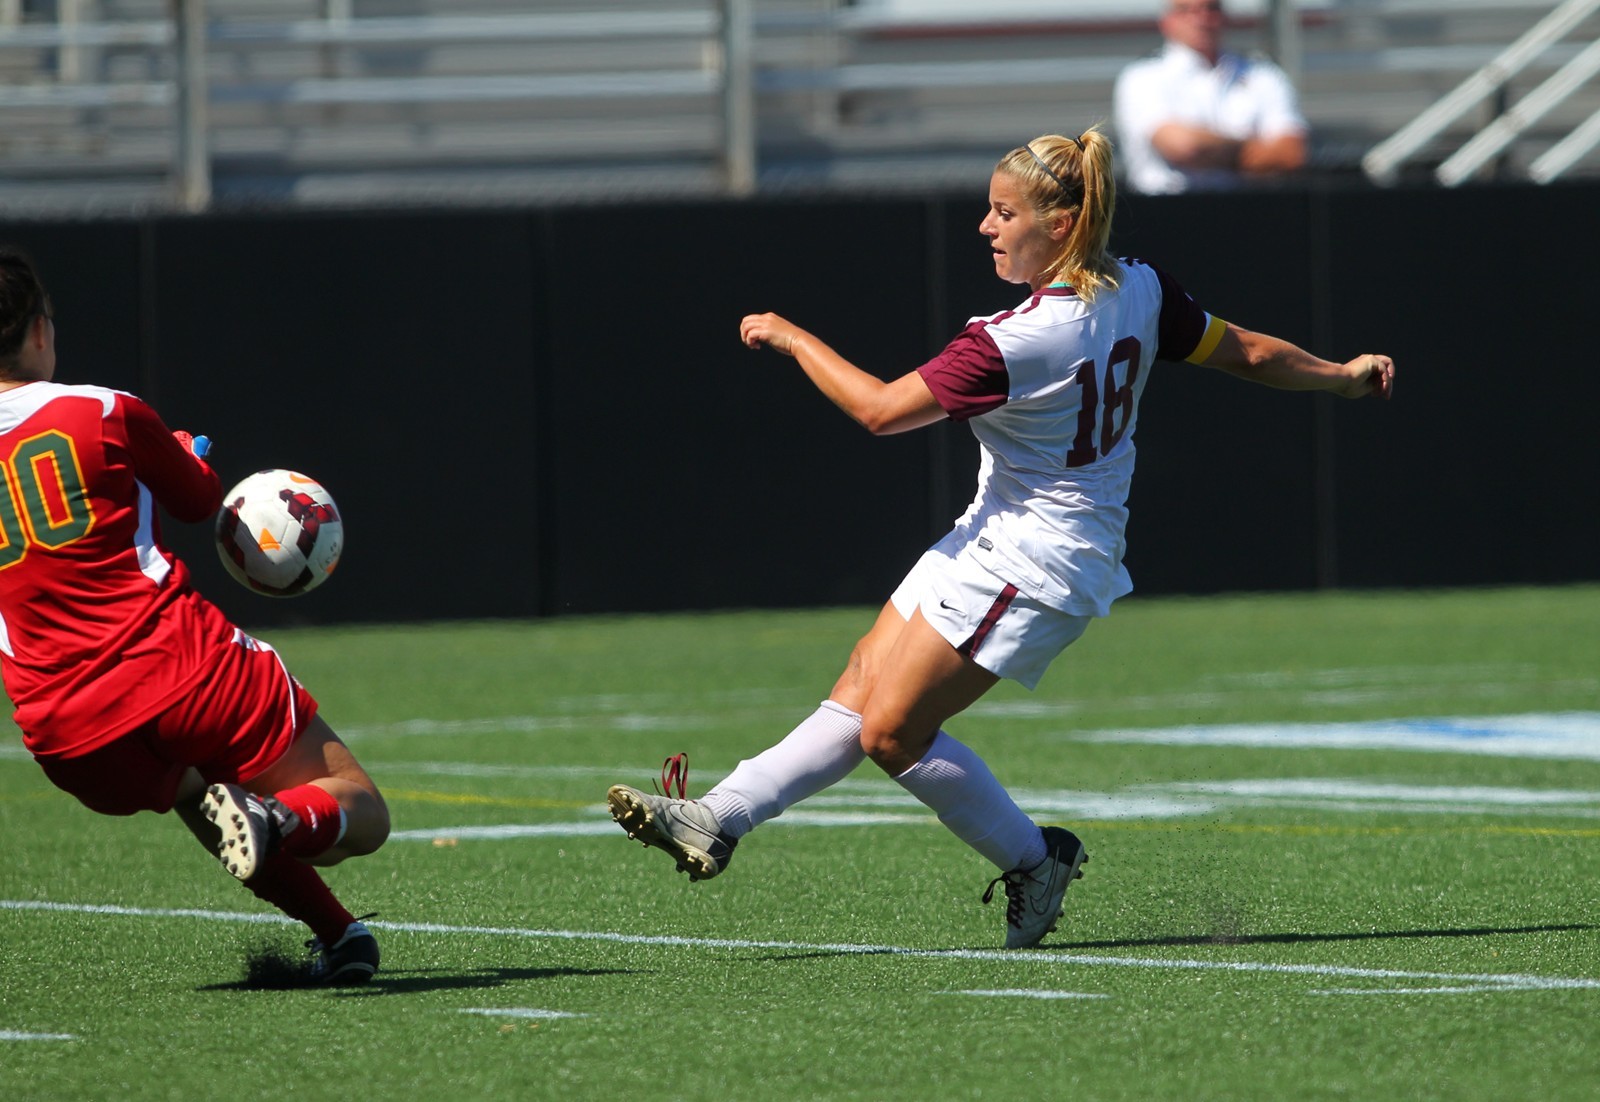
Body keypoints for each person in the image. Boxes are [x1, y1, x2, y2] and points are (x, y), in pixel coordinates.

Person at [607, 127, 1393, 949]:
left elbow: (878, 411)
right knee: (862, 683)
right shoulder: (1140, 287)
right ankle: (716, 817)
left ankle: (1035, 860)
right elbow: (1251, 351)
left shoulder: (1016, 341)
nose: (986, 226)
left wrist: (790, 335)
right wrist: (1340, 376)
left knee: (890, 732)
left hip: (1038, 559)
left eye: (1003, 211)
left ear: (1060, 227)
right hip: (998, 532)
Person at [0, 247, 390, 983]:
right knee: (359, 810)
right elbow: (197, 498)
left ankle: (339, 936)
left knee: (197, 793)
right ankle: (285, 821)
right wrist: (183, 450)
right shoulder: (102, 409)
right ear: (37, 332)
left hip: (64, 727)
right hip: (179, 665)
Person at [1113, 0, 1308, 194]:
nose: (1202, 18)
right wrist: (1257, 149)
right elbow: (1184, 147)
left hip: (1249, 210)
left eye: (1211, 9)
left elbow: (1291, 153)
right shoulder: (1142, 76)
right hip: (1168, 211)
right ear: (1166, 20)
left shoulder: (1262, 74)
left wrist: (1211, 150)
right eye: (1186, 10)